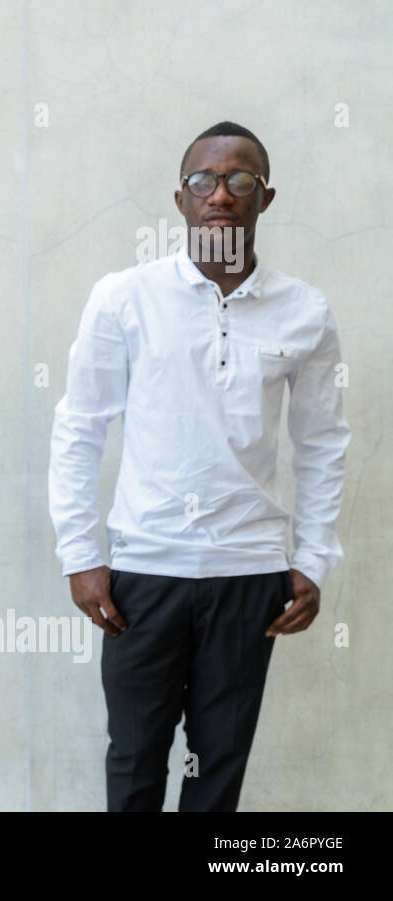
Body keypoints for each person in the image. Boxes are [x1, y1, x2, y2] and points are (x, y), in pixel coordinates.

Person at [47, 121, 351, 811]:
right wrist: (80, 554)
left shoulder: (304, 311)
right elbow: (79, 430)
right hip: (143, 573)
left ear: (264, 197)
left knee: (219, 771)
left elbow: (323, 442)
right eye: (203, 181)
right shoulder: (124, 297)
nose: (221, 193)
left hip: (250, 572)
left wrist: (313, 557)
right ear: (180, 199)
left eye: (240, 180)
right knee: (134, 762)